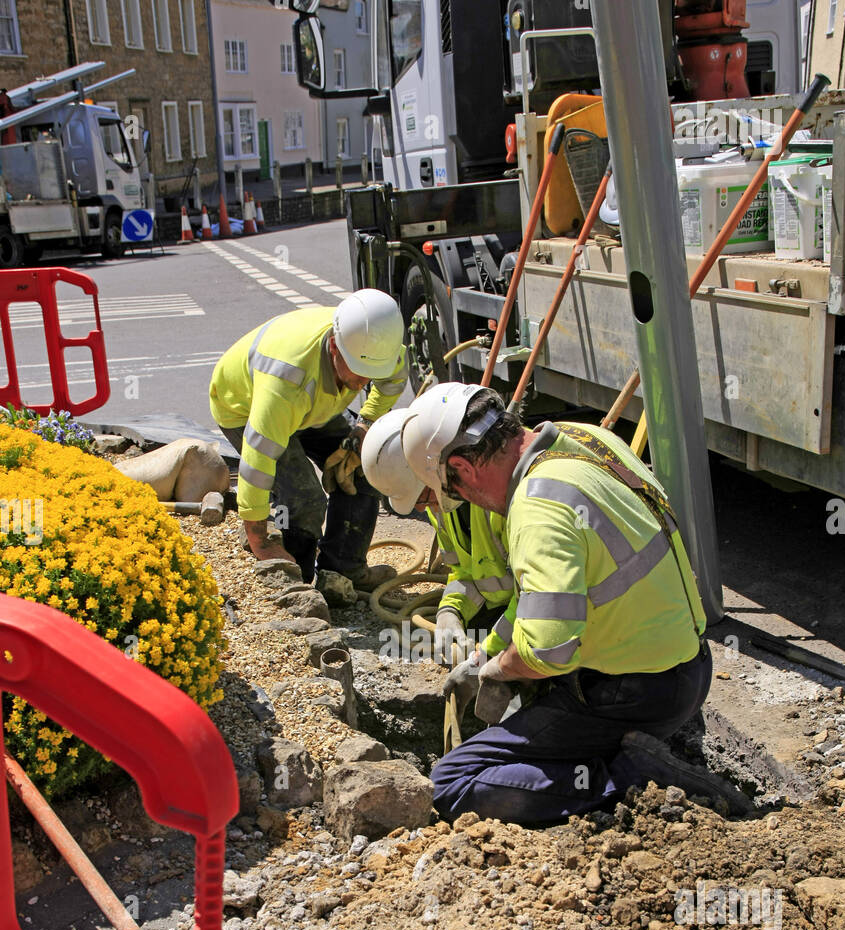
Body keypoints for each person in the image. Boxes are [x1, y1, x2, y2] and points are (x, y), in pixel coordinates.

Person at [389, 382, 719, 826]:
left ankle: (632, 777)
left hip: (637, 692)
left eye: (453, 491)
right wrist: (485, 654)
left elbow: (548, 652)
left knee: (452, 783)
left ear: (464, 468)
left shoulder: (538, 504)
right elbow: (541, 604)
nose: (464, 503)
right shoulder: (582, 438)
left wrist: (497, 670)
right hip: (685, 666)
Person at [209, 289, 408, 588]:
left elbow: (394, 379)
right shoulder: (286, 382)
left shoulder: (374, 344)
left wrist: (364, 425)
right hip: (244, 407)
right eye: (357, 373)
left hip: (314, 405)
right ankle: (297, 582)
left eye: (371, 374)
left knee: (366, 463)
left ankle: (342, 572)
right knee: (304, 498)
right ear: (333, 347)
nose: (362, 382)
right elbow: (258, 460)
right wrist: (259, 539)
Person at [362, 409, 515, 665]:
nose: (421, 509)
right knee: (466, 653)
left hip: (548, 613)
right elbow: (464, 573)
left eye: (420, 496)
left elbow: (539, 599)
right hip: (507, 604)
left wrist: (493, 653)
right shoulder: (442, 506)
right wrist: (450, 609)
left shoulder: (500, 502)